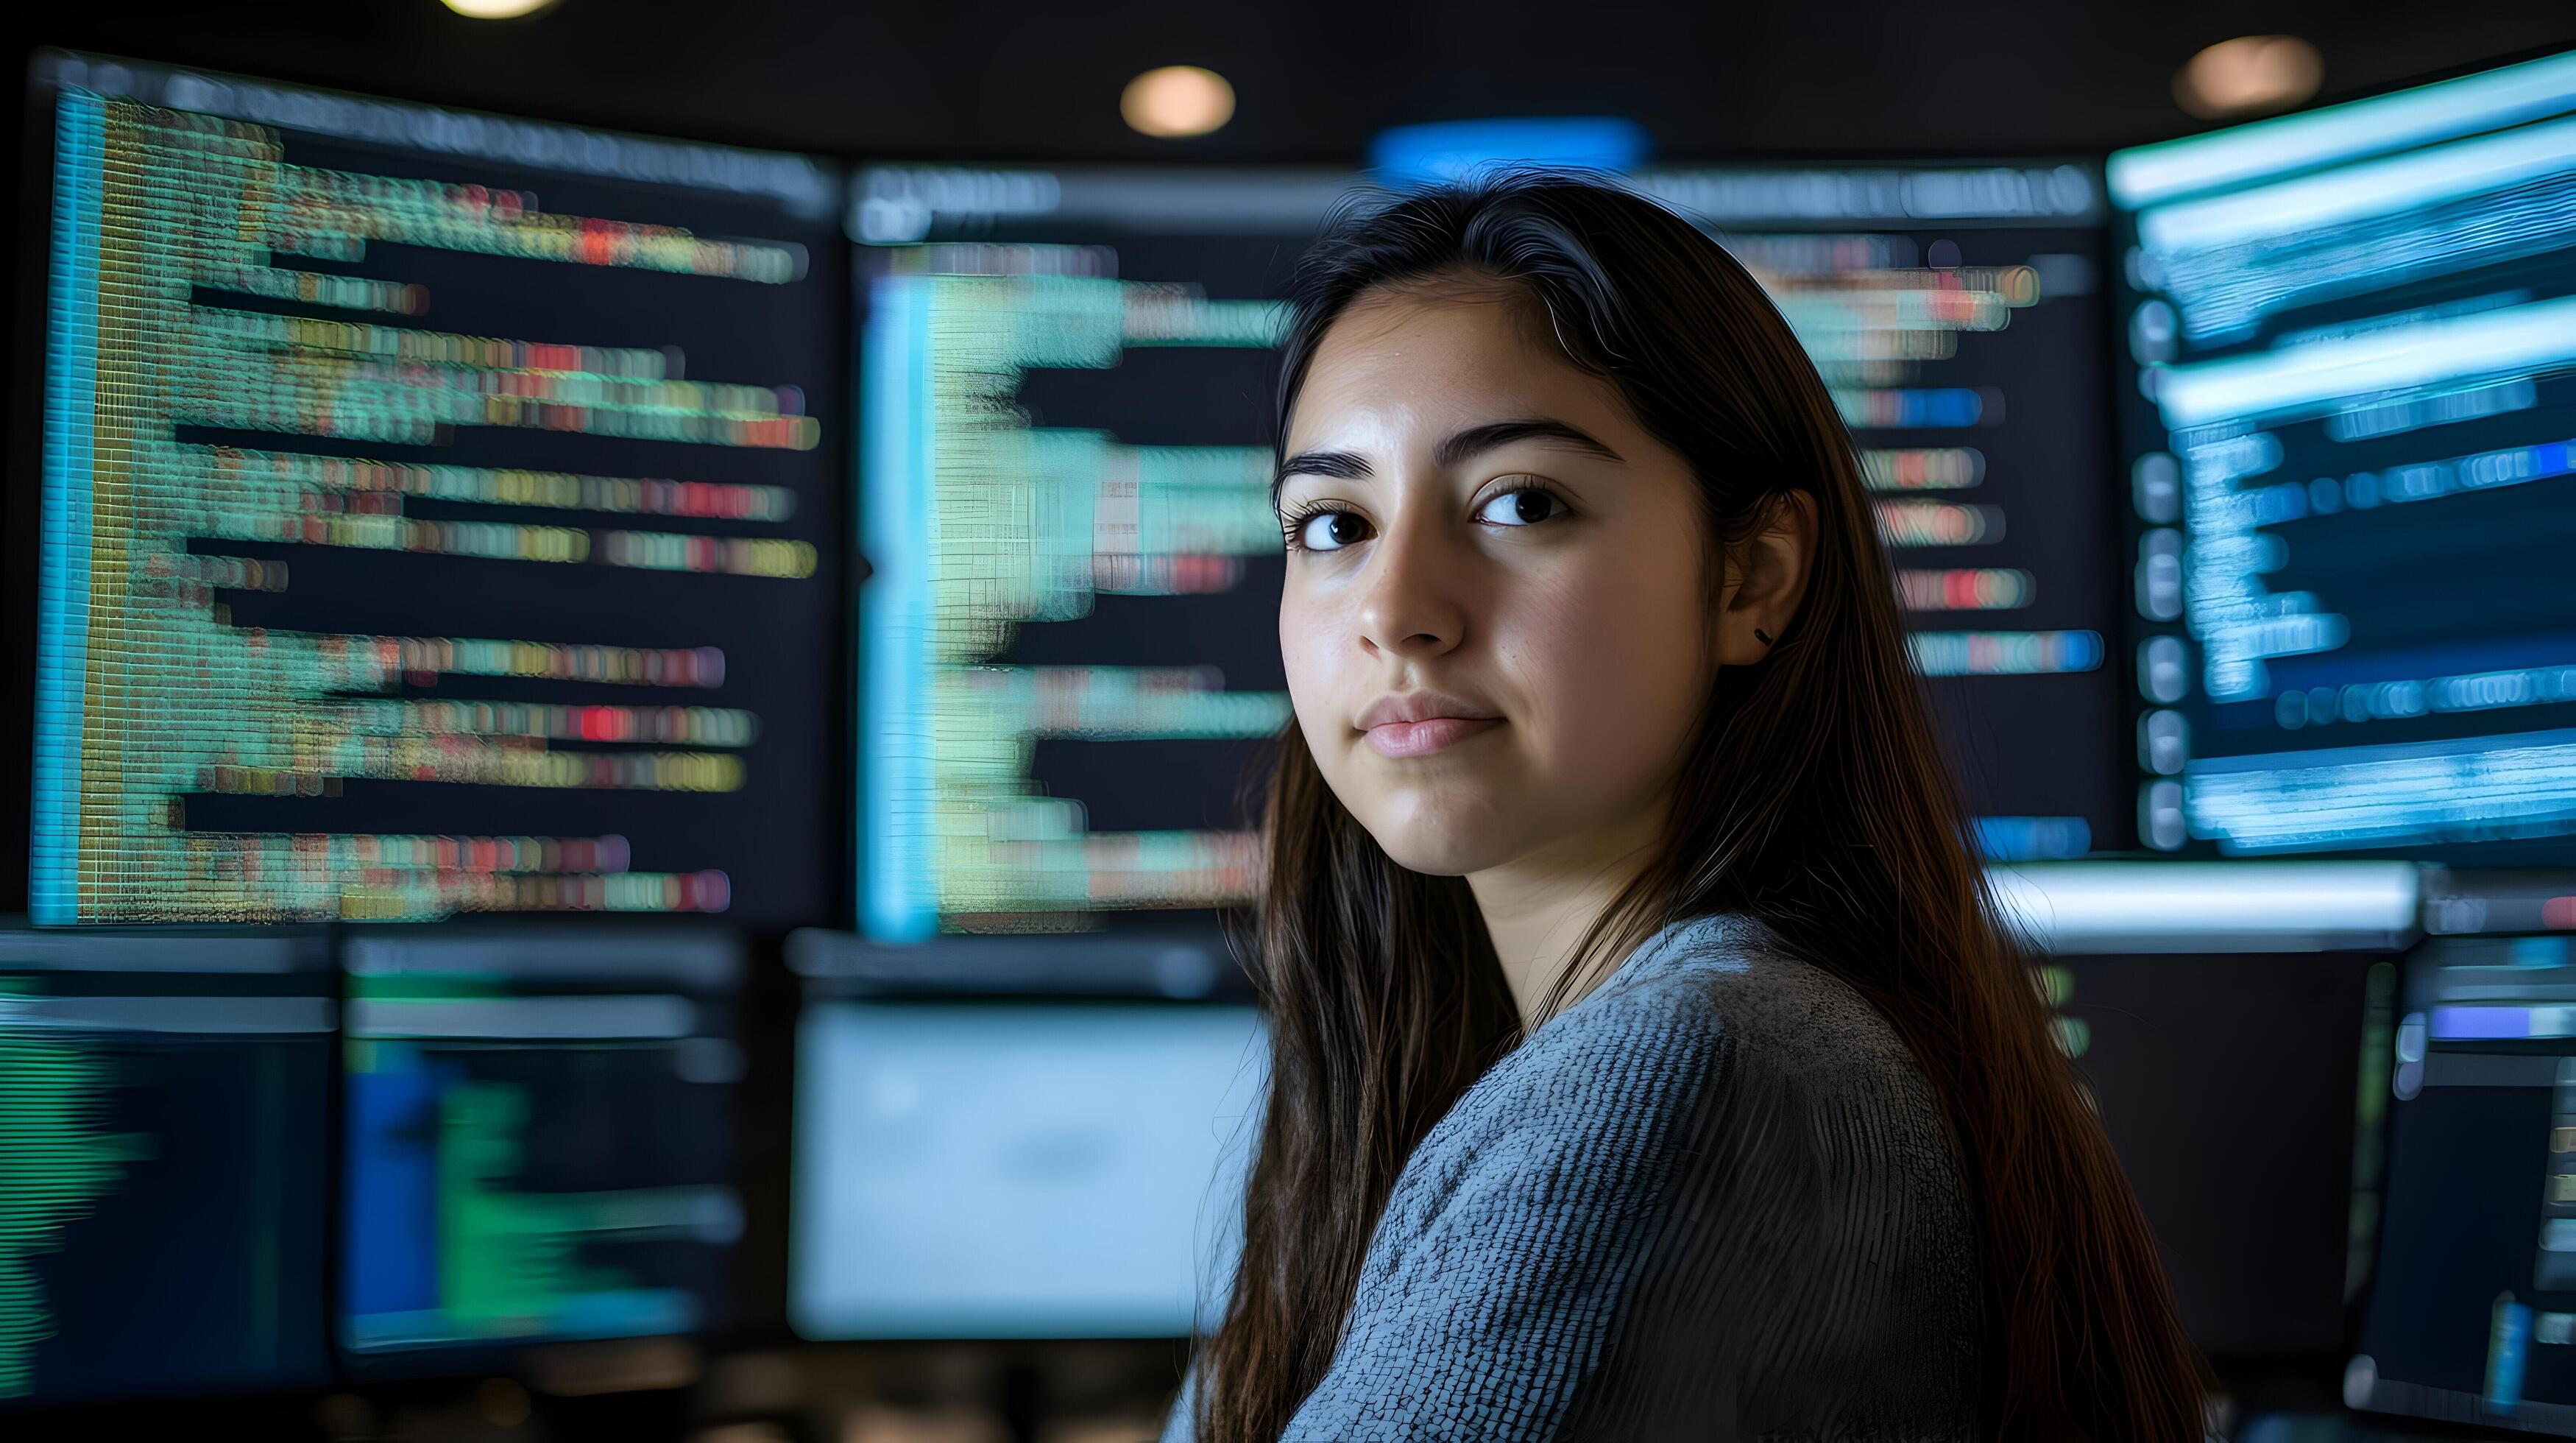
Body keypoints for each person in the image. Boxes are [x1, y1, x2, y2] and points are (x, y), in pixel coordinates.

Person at [1160, 172, 2206, 1442]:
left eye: (1522, 502)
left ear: (1753, 576)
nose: (1395, 611)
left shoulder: (1688, 1067)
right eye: (1333, 523)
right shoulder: (1473, 1066)